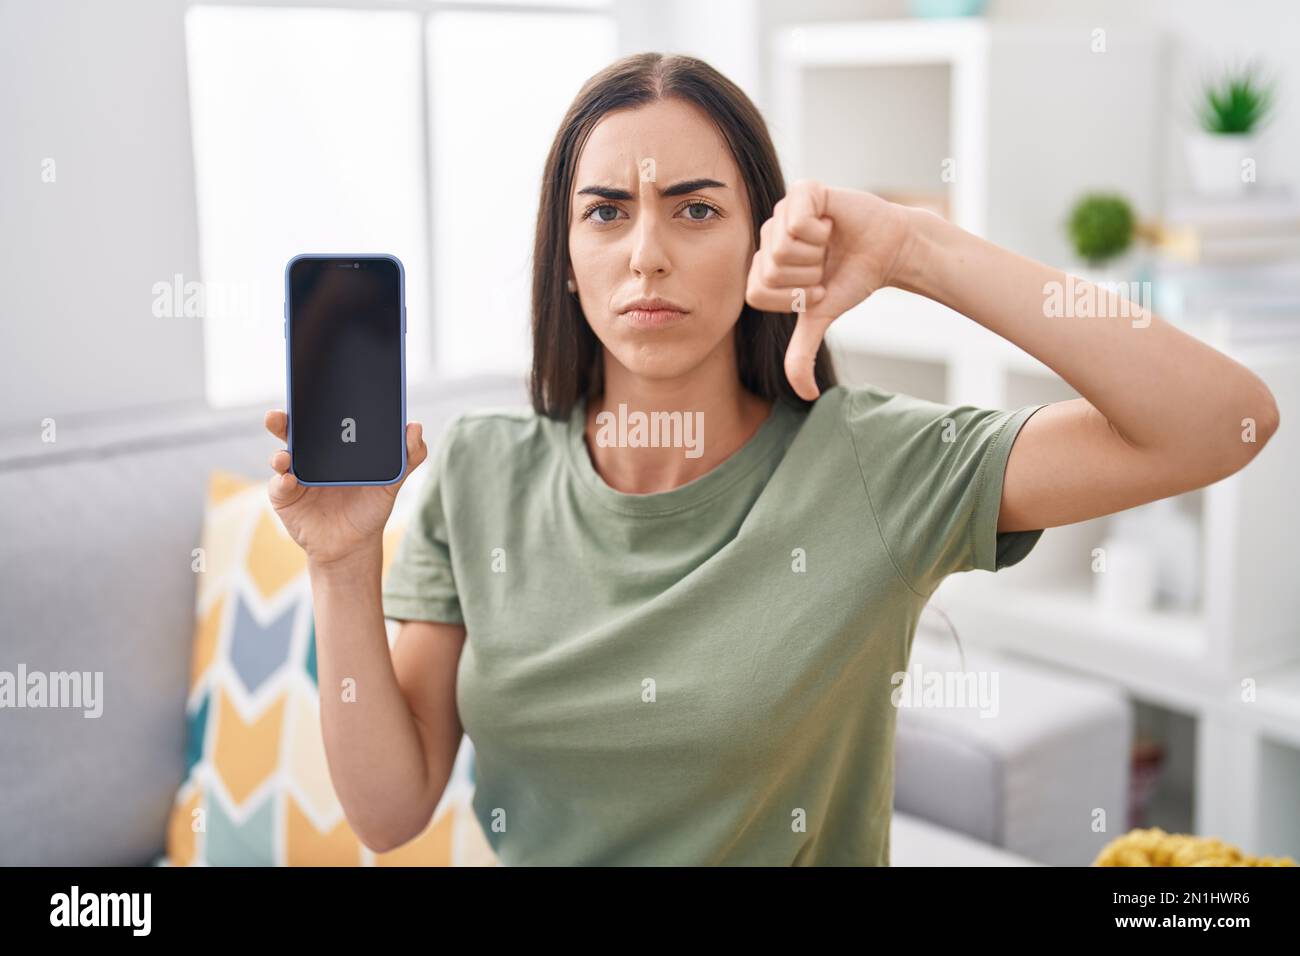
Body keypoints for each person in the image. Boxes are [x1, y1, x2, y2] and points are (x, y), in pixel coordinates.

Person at [262, 53, 1279, 865]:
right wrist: (342, 564)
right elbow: (390, 812)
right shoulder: (478, 471)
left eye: (695, 209)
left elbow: (1223, 421)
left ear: (761, 236)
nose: (645, 252)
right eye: (606, 211)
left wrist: (918, 248)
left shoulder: (873, 465)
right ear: (563, 255)